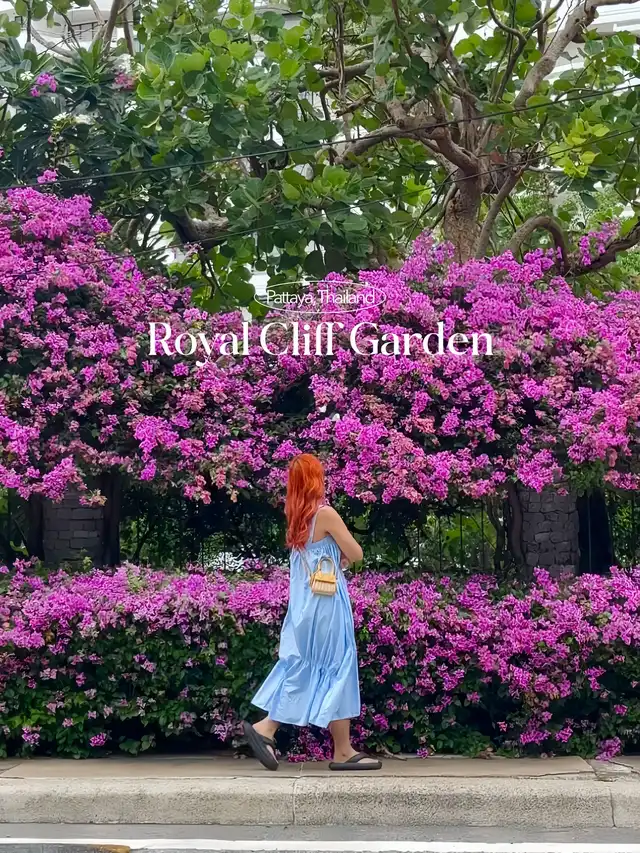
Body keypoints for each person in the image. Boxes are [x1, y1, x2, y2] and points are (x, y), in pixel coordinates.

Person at [242, 453, 382, 771]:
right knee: (338, 666)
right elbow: (357, 553)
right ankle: (270, 728)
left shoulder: (297, 520)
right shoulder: (325, 514)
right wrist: (342, 554)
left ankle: (339, 747)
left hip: (304, 608)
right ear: (316, 481)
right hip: (327, 607)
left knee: (311, 667)